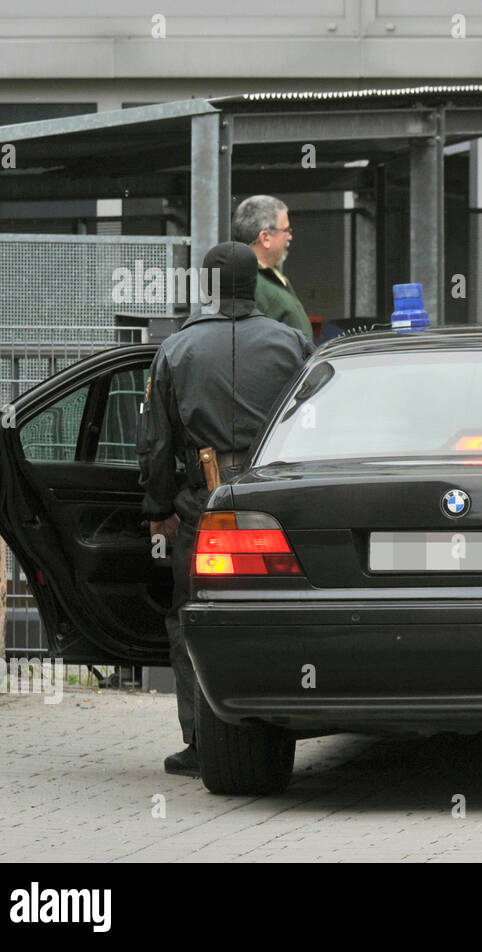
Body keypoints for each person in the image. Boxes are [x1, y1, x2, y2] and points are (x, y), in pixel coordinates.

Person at [138, 242, 314, 777]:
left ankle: (201, 740)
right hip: (279, 501)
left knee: (191, 618)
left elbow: (157, 444)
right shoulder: (293, 344)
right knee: (285, 614)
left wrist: (159, 506)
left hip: (204, 506)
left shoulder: (177, 350)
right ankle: (291, 720)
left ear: (207, 288)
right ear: (255, 287)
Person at [231, 194, 311, 337]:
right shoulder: (245, 281)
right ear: (265, 238)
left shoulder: (264, 276)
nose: (290, 236)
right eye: (286, 230)